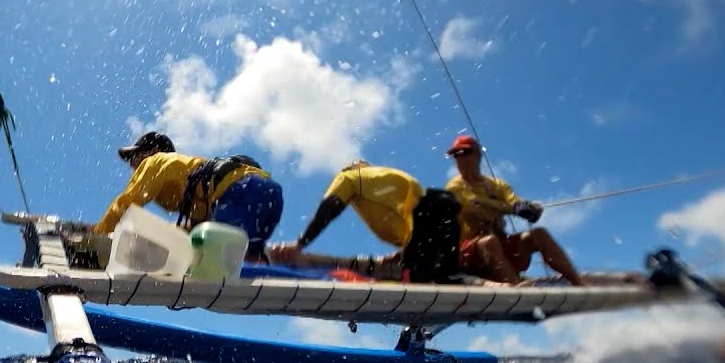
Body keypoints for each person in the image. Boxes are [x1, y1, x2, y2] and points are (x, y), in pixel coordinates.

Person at [268, 160, 482, 285]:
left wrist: (300, 243)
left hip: (427, 226)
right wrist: (406, 252)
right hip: (447, 224)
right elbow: (414, 212)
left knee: (420, 282)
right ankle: (482, 282)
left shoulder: (350, 178)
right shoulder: (386, 177)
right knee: (446, 277)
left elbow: (329, 208)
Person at [93, 131, 284, 261]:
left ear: (152, 151)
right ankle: (265, 257)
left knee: (213, 263)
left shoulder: (156, 161)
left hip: (241, 192)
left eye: (134, 156)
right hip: (268, 194)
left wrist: (96, 240)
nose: (131, 164)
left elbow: (126, 203)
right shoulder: (186, 173)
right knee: (244, 261)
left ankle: (255, 257)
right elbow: (197, 226)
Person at [443, 135, 585, 286]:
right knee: (490, 242)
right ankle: (519, 290)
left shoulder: (498, 185)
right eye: (456, 154)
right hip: (469, 255)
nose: (460, 158)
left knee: (539, 234)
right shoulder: (454, 188)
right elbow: (478, 206)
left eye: (465, 152)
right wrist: (513, 208)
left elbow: (513, 199)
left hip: (500, 246)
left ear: (478, 154)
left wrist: (527, 207)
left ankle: (579, 283)